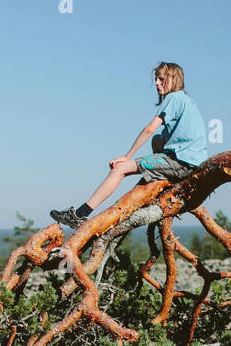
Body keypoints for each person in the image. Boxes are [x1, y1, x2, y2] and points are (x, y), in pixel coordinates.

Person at [50, 61, 208, 229]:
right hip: (191, 162)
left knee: (120, 169)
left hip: (181, 163)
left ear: (173, 79)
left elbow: (149, 129)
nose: (156, 83)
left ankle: (80, 214)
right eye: (156, 79)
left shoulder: (173, 98)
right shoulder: (186, 101)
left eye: (161, 79)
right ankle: (160, 180)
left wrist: (127, 156)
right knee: (158, 140)